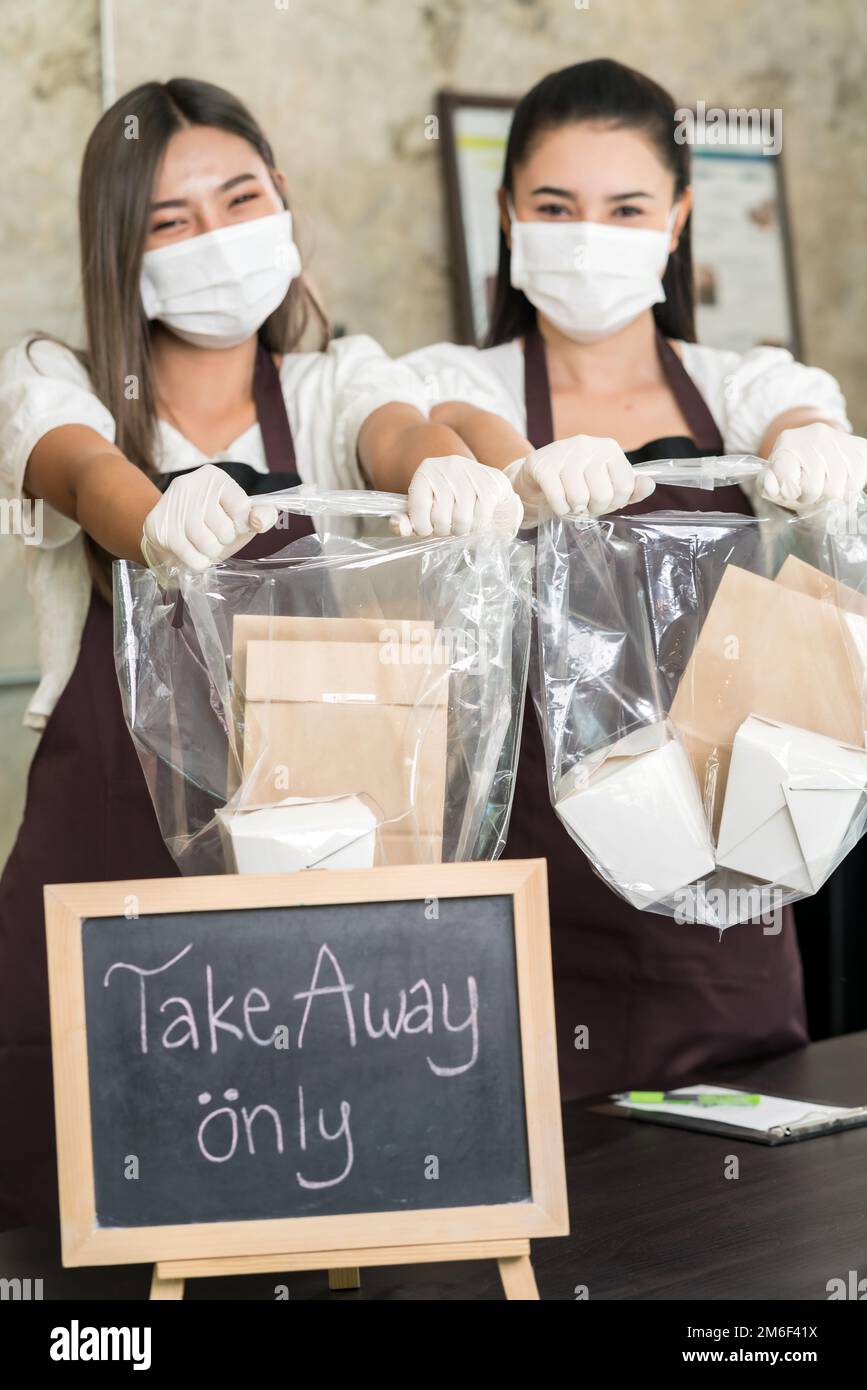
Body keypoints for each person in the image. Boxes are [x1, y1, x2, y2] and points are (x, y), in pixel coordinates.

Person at [0, 76, 520, 1232]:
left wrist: (438, 462)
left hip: (311, 839)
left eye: (240, 200)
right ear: (120, 252)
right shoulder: (57, 381)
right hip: (104, 848)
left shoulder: (334, 384)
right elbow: (80, 468)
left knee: (299, 1153)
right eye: (171, 222)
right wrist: (151, 519)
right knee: (70, 1163)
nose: (217, 241)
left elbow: (398, 428)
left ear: (284, 201)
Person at [401, 59, 867, 1101]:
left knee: (739, 1237)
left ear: (679, 217)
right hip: (516, 901)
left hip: (728, 904)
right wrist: (512, 461)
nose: (589, 234)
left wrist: (815, 450)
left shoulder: (742, 389)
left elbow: (800, 411)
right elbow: (414, 432)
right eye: (556, 206)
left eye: (626, 207)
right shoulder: (449, 384)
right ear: (508, 215)